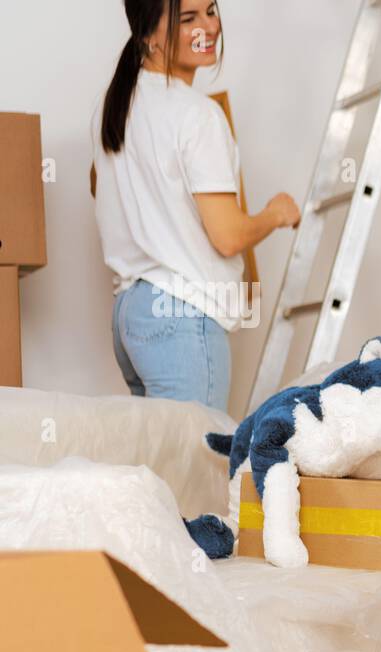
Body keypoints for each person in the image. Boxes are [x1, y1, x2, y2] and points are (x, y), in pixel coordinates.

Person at [91, 0, 300, 411]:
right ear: (149, 35)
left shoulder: (114, 107)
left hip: (131, 316)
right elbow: (227, 237)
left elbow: (99, 184)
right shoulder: (198, 115)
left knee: (163, 469)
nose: (209, 26)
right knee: (197, 467)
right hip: (180, 316)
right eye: (188, 18)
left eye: (210, 10)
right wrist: (276, 213)